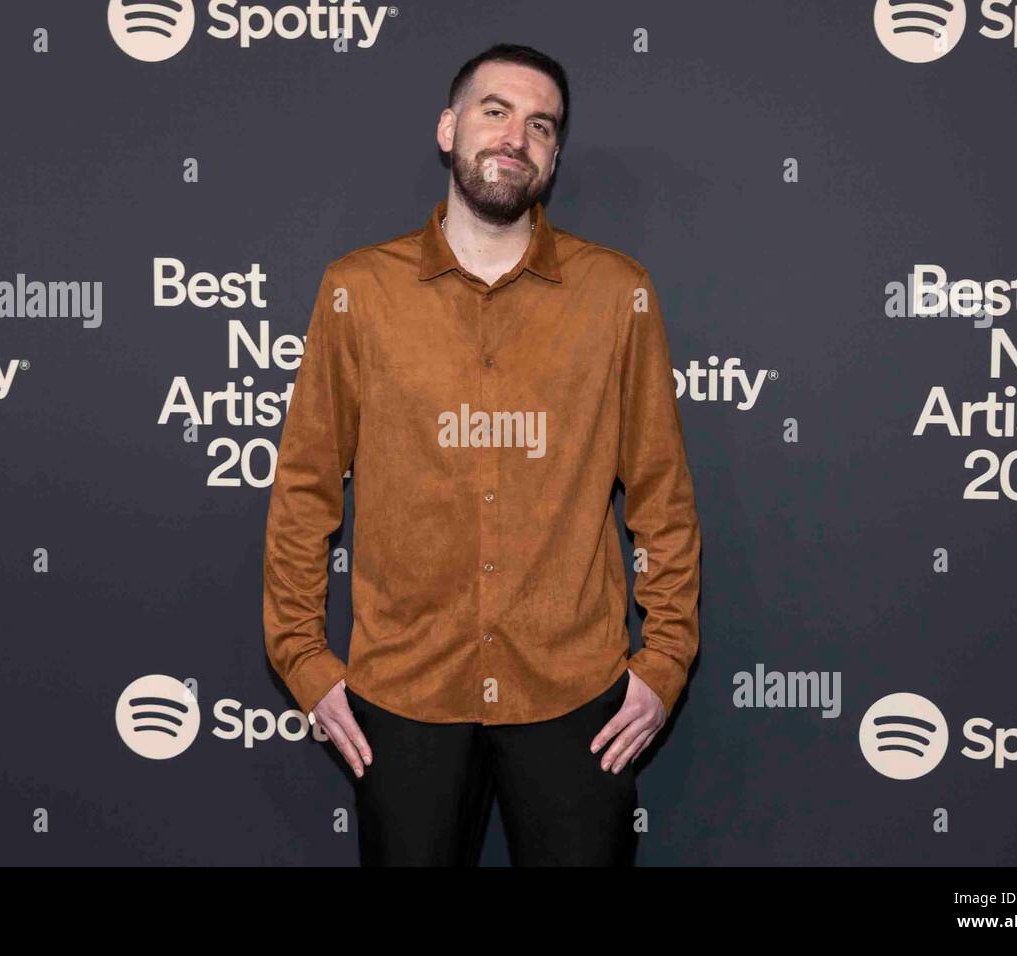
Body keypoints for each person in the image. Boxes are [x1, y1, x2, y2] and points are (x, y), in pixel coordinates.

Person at [263, 42, 702, 866]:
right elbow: (305, 489)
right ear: (447, 128)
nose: (516, 136)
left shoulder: (617, 295)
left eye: (541, 124)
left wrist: (666, 658)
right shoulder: (358, 290)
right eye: (495, 110)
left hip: (577, 694)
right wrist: (305, 658)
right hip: (404, 692)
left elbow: (661, 494)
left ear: (555, 154)